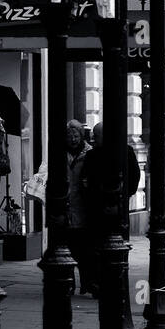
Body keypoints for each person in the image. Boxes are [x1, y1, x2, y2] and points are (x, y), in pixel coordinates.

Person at [65, 119, 96, 297]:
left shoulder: (89, 154)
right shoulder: (61, 153)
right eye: (69, 136)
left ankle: (86, 282)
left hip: (83, 208)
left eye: (75, 135)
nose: (73, 139)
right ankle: (70, 282)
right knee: (67, 249)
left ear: (81, 136)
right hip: (66, 208)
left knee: (84, 250)